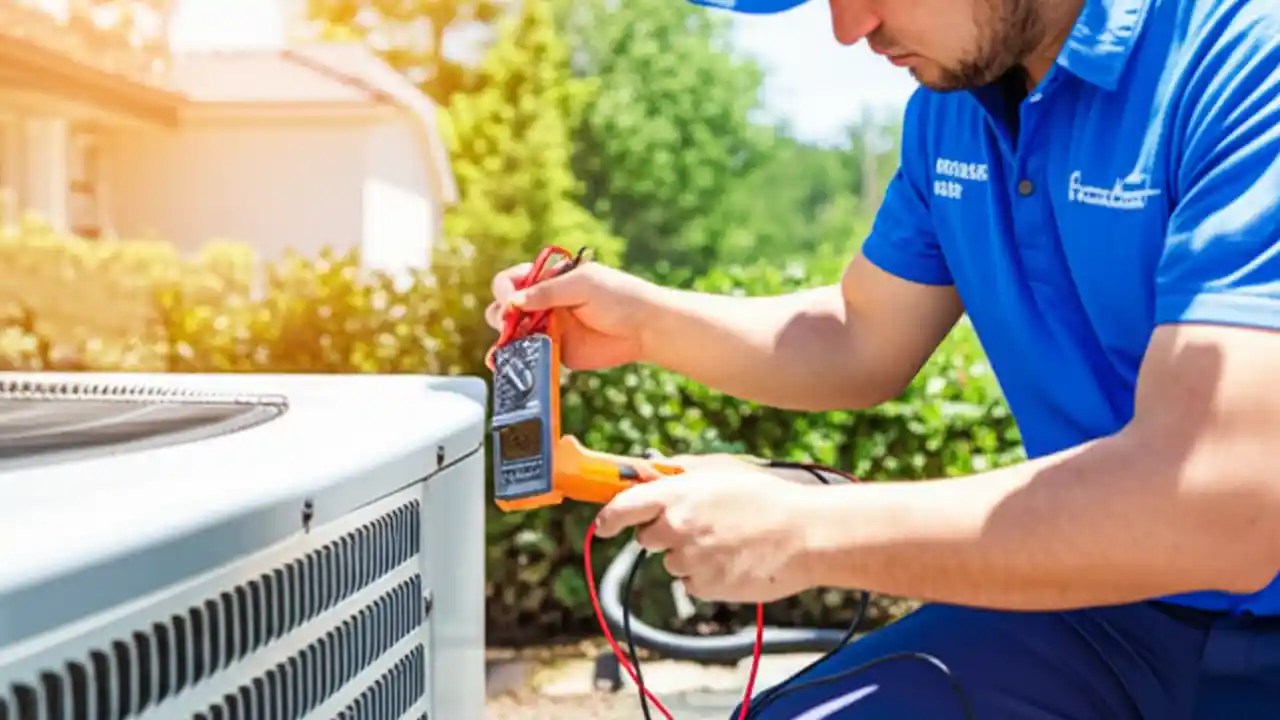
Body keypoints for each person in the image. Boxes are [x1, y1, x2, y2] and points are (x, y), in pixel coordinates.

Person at [486, 0, 1280, 716]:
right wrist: (644, 324)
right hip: (1099, 616)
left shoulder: (1246, 57)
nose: (847, 26)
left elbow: (1214, 505)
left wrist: (808, 528)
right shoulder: (953, 109)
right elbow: (861, 332)